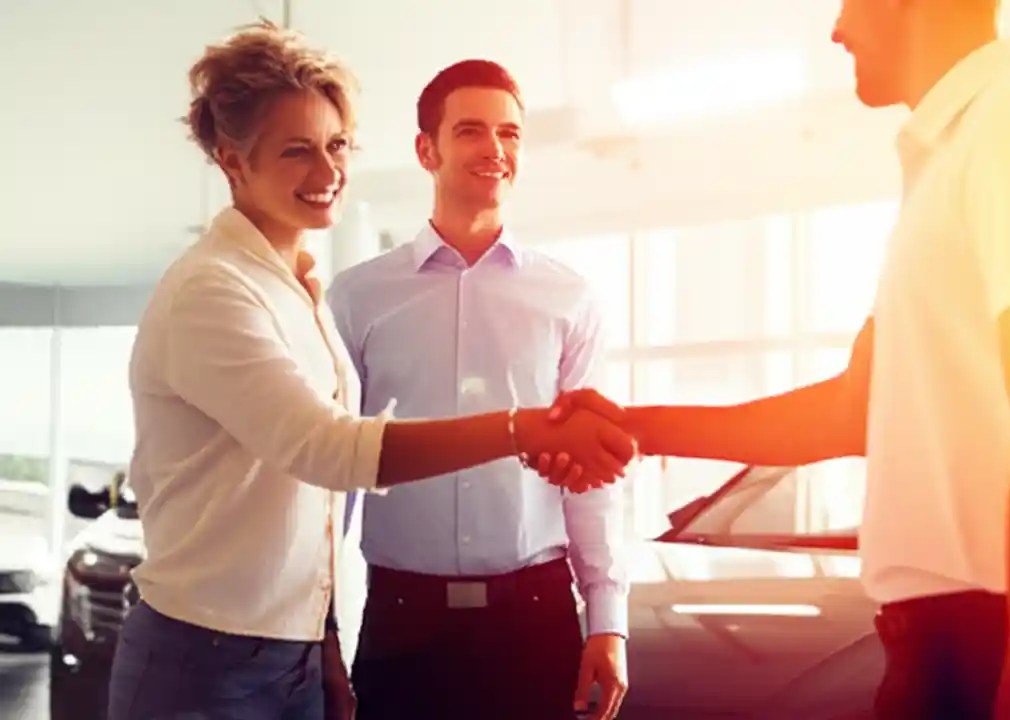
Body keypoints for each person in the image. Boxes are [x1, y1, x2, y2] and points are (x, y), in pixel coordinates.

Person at [542, 0, 1010, 718]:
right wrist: (636, 427)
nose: (837, 28)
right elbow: (854, 410)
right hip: (935, 652)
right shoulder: (953, 156)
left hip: (999, 653)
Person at [108, 24, 632, 720]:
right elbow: (332, 453)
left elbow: (320, 503)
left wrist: (608, 615)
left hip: (342, 642)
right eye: (296, 150)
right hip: (229, 650)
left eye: (336, 146)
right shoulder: (234, 290)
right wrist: (521, 429)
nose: (327, 170)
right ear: (233, 161)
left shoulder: (300, 291)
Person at [326, 59, 630, 720]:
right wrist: (319, 629)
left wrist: (608, 619)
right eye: (471, 130)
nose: (495, 148)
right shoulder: (355, 297)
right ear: (425, 150)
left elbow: (590, 473)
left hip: (536, 619)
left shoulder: (569, 297)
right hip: (401, 624)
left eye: (509, 133)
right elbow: (332, 474)